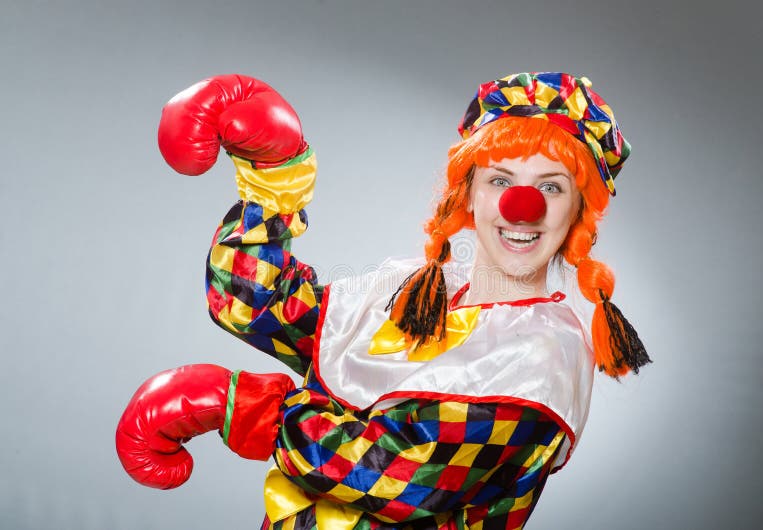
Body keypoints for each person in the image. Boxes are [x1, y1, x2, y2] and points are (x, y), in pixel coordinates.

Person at [116, 72, 650, 530]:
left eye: (551, 187)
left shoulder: (542, 357)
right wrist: (275, 181)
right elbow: (259, 304)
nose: (521, 206)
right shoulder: (422, 293)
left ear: (580, 211)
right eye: (500, 179)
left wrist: (251, 410)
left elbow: (399, 477)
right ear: (469, 193)